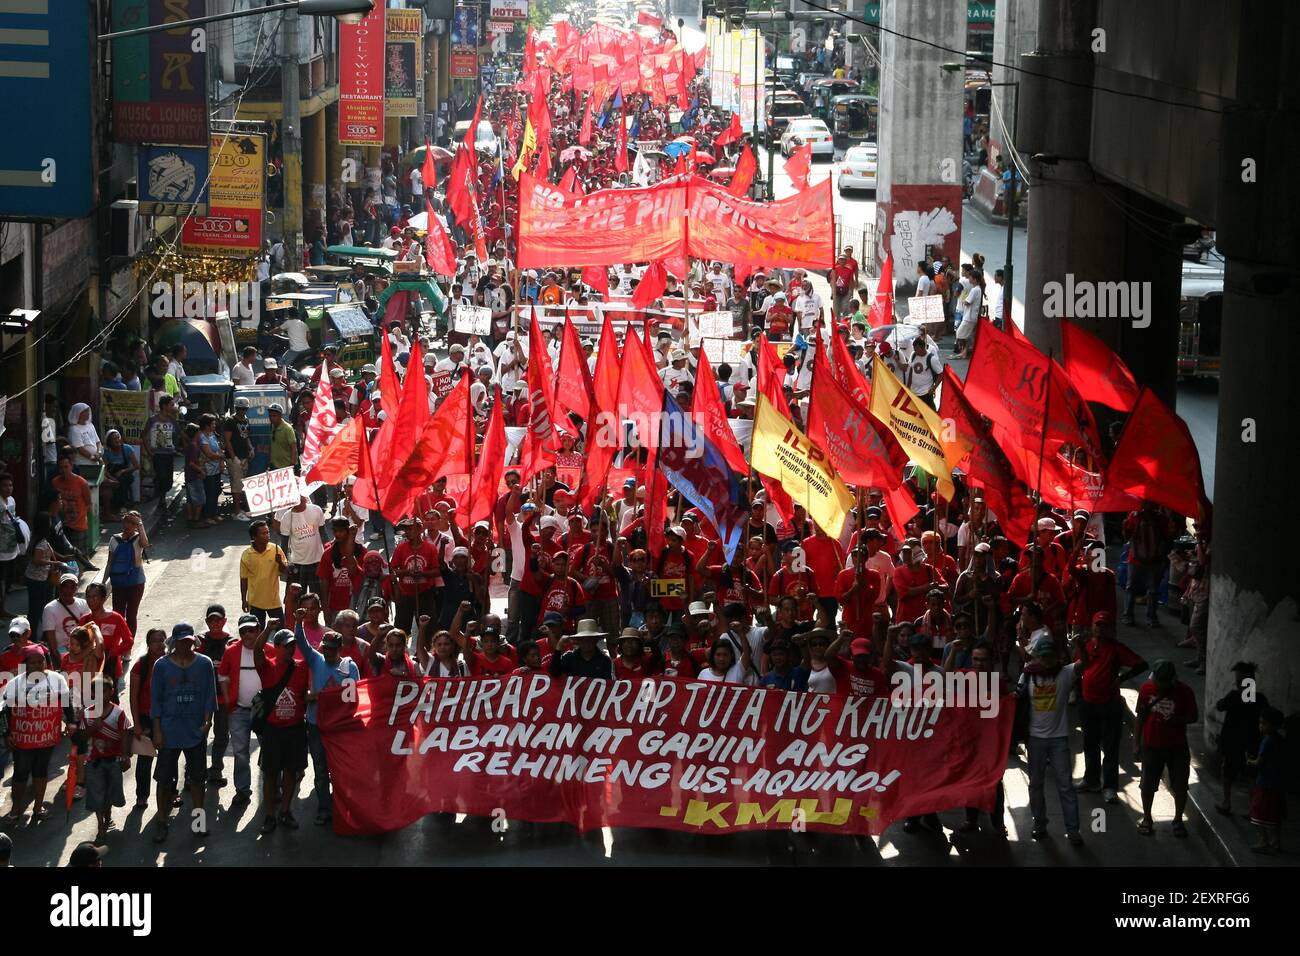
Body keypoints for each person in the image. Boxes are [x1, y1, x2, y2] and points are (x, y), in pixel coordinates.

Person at [149, 622, 216, 842]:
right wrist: (157, 732)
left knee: (198, 780)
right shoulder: (161, 666)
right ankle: (161, 821)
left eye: (189, 641)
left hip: (194, 732)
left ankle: (199, 822)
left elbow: (210, 695)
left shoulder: (204, 664)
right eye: (182, 642)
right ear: (174, 642)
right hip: (168, 732)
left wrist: (207, 723)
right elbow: (156, 702)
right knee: (164, 781)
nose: (186, 645)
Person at [1072, 611, 1146, 803]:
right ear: (1093, 626)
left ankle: (1110, 786)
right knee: (1090, 744)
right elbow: (1076, 667)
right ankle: (1091, 780)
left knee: (1111, 747)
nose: (1100, 629)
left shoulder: (1116, 649)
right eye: (1098, 625)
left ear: (1110, 629)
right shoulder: (1087, 645)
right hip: (1088, 703)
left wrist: (1121, 679)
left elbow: (1141, 664)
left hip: (1109, 704)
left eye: (1104, 626)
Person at [1019, 637, 1083, 844]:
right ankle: (1039, 823)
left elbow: (1086, 663)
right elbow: (1017, 700)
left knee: (1065, 785)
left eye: (1050, 657)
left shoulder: (1065, 673)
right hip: (1035, 740)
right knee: (1035, 784)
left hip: (1058, 739)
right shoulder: (1027, 675)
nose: (1046, 661)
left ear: (1056, 657)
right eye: (1042, 657)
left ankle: (1073, 830)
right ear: (1037, 657)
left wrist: (1082, 646)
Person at [295, 618, 358, 826]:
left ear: (340, 648)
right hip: (316, 725)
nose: (329, 652)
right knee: (320, 768)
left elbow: (356, 697)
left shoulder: (350, 667)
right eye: (326, 648)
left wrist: (323, 695)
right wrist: (298, 622)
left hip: (339, 727)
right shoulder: (316, 660)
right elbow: (301, 643)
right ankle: (324, 809)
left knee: (341, 770)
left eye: (333, 649)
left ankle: (342, 807)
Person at [0, 646, 73, 823]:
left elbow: (67, 703)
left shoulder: (57, 679)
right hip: (21, 739)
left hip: (46, 737)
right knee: (20, 773)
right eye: (32, 663)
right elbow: (5, 711)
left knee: (41, 771)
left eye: (40, 661)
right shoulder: (15, 683)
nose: (37, 665)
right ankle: (16, 809)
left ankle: (38, 807)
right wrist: (6, 733)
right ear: (25, 665)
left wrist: (72, 722)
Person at [252, 627, 310, 834]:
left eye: (293, 645)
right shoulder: (267, 666)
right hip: (272, 730)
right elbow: (257, 650)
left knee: (291, 772)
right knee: (270, 774)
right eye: (286, 646)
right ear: (276, 648)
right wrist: (267, 628)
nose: (291, 649)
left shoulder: (302, 668)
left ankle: (285, 811)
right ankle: (269, 814)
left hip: (295, 729)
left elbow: (305, 692)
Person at [1133, 659, 1198, 837]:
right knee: (1147, 785)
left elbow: (1193, 716)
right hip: (1151, 745)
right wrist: (1136, 744)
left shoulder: (1185, 692)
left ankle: (1178, 820)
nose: (1159, 688)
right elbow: (1140, 717)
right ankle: (1147, 818)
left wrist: (1178, 720)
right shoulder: (1146, 689)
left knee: (1180, 785)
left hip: (1177, 746)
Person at [216, 614, 265, 806]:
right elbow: (223, 676)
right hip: (239, 710)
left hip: (263, 711)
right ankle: (243, 790)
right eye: (243, 630)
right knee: (240, 753)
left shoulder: (269, 650)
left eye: (251, 630)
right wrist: (229, 701)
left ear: (258, 630)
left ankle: (273, 787)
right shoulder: (231, 651)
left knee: (269, 750)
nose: (247, 634)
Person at [81, 674, 131, 845]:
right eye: (97, 691)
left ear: (111, 692)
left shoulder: (118, 713)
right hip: (93, 761)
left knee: (109, 793)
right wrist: (92, 729)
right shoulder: (87, 714)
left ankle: (107, 818)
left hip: (113, 761)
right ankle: (101, 825)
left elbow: (125, 736)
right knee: (96, 794)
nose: (101, 694)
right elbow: (81, 737)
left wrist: (125, 756)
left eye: (105, 691)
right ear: (92, 694)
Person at [1214, 661, 1268, 816]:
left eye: (1239, 681)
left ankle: (1227, 803)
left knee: (1230, 772)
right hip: (1250, 742)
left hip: (1235, 742)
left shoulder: (1234, 696)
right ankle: (1251, 808)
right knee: (1250, 775)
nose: (1237, 684)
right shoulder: (1259, 699)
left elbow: (1220, 706)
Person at [102, 511, 148, 638]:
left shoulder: (139, 538)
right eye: (127, 521)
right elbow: (109, 563)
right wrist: (103, 583)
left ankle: (129, 643)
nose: (129, 525)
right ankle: (117, 642)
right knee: (118, 614)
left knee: (131, 615)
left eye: (133, 523)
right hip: (118, 582)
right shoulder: (114, 539)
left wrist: (140, 525)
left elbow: (145, 544)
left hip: (136, 582)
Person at [1247, 706, 1285, 854]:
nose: (1260, 726)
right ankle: (1275, 843)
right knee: (1274, 815)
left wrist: (1250, 761)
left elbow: (1259, 762)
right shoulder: (1280, 739)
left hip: (1265, 783)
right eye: (1260, 723)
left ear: (1273, 725)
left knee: (1259, 813)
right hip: (1277, 783)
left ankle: (1264, 841)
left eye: (1263, 723)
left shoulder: (1267, 741)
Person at [240, 519, 289, 626]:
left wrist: (280, 562)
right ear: (254, 537)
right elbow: (243, 579)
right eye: (263, 533)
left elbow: (285, 571)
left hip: (274, 601)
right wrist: (244, 600)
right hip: (255, 602)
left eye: (268, 532)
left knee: (281, 631)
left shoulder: (276, 549)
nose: (267, 535)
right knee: (258, 634)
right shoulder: (246, 555)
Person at [51, 454, 93, 558]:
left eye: (66, 467)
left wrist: (83, 519)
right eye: (61, 467)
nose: (64, 470)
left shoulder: (82, 483)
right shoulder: (55, 482)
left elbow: (88, 503)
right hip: (62, 525)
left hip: (78, 525)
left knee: (80, 555)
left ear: (71, 466)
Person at [142, 394, 180, 504]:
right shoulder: (152, 420)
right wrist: (149, 451)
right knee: (161, 476)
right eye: (171, 405)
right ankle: (161, 498)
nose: (173, 407)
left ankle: (161, 493)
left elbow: (179, 434)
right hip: (157, 454)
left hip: (169, 454)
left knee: (168, 480)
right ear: (164, 406)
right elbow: (144, 435)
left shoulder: (172, 420)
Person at [222, 397, 254, 520]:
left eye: (244, 409)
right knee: (236, 484)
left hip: (244, 456)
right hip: (234, 457)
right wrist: (233, 457)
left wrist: (250, 448)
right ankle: (236, 511)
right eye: (240, 409)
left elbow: (246, 437)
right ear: (236, 408)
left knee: (241, 484)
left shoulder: (246, 420)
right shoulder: (230, 421)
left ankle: (240, 509)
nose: (242, 411)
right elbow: (227, 440)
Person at [267, 404, 299, 471]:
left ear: (281, 416)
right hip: (275, 466)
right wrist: (270, 462)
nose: (272, 418)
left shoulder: (287, 429)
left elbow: (294, 448)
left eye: (274, 416)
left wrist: (291, 466)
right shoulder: (272, 426)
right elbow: (272, 445)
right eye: (270, 416)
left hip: (287, 466)